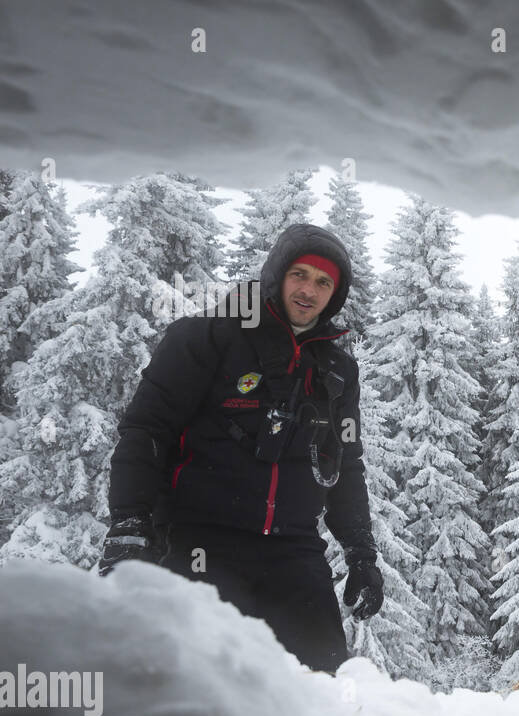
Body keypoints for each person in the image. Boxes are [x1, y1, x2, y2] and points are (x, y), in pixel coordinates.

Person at [98, 223, 383, 673]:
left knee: (323, 690)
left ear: (336, 294)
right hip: (201, 541)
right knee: (200, 687)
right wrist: (130, 521)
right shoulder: (206, 336)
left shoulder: (338, 369)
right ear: (276, 274)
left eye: (323, 282)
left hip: (294, 550)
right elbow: (146, 429)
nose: (309, 290)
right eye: (300, 274)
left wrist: (361, 552)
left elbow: (345, 465)